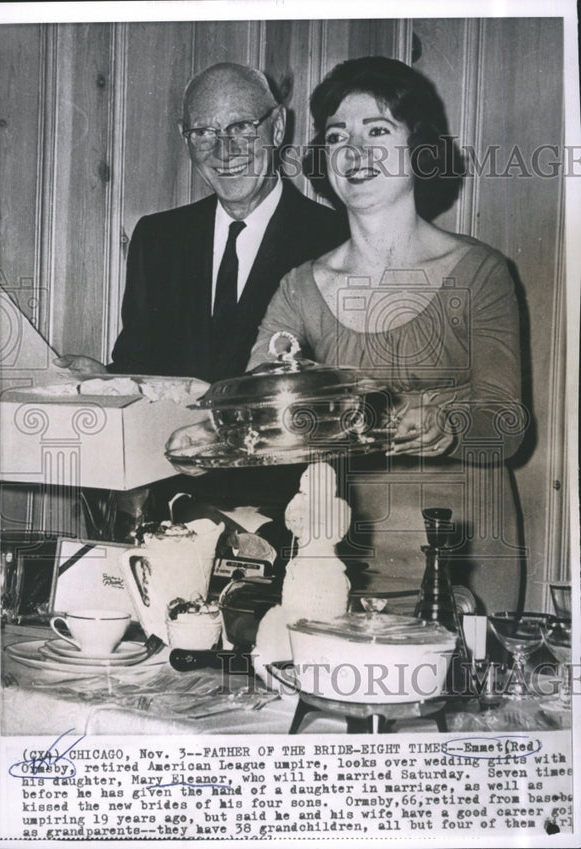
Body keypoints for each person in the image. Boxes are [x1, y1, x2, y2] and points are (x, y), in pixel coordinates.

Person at [245, 56, 527, 615]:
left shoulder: (481, 272)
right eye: (336, 136)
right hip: (336, 559)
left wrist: (447, 425)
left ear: (419, 149)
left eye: (378, 130)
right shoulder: (300, 288)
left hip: (463, 557)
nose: (355, 151)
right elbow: (262, 403)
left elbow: (507, 427)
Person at [56, 62, 347, 383]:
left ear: (277, 128)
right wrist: (110, 379)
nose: (224, 151)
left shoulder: (336, 239)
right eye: (204, 133)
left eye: (241, 127)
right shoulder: (158, 240)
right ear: (186, 140)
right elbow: (139, 365)